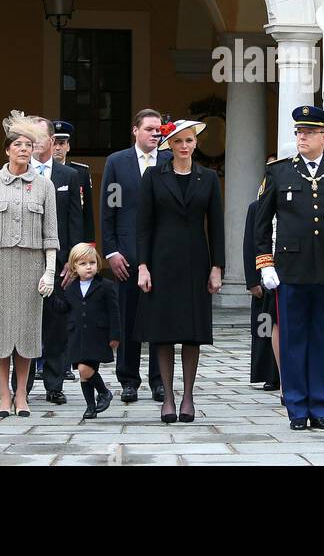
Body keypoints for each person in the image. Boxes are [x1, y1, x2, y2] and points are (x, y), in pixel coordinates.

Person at [254, 105, 324, 431]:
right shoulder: (279, 172)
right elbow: (261, 225)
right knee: (292, 340)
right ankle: (296, 408)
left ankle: (321, 407)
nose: (301, 137)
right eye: (299, 132)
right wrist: (265, 264)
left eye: (309, 132)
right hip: (290, 269)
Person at [134, 119, 225, 423]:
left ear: (195, 143)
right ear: (168, 146)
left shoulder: (208, 178)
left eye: (189, 141)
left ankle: (188, 396)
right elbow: (143, 226)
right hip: (162, 261)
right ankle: (168, 398)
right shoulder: (152, 176)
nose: (184, 146)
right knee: (163, 333)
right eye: (178, 142)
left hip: (196, 262)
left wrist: (217, 266)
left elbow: (217, 226)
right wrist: (143, 266)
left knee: (191, 333)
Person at [0, 112, 59, 418]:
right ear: (7, 149)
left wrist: (49, 271)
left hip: (32, 266)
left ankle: (22, 393)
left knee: (27, 333)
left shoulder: (45, 186)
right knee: (0, 334)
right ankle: (3, 394)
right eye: (17, 144)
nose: (23, 149)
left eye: (28, 145)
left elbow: (51, 235)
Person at [100, 108, 169, 404]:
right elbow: (109, 210)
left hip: (161, 252)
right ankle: (128, 380)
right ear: (135, 130)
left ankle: (159, 381)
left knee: (158, 319)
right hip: (126, 255)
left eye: (159, 129)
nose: (156, 133)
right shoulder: (117, 162)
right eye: (151, 129)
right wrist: (111, 251)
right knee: (127, 318)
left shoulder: (168, 161)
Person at [27, 116, 83, 405]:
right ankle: (21, 385)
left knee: (57, 325)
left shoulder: (68, 176)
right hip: (25, 260)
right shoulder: (20, 173)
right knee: (24, 324)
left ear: (52, 141)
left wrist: (72, 263)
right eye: (30, 138)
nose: (35, 143)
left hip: (59, 263)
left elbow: (75, 222)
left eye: (39, 138)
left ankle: (54, 384)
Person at [50, 244, 120, 419]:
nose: (89, 267)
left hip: (97, 336)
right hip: (77, 337)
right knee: (84, 374)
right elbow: (63, 308)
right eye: (83, 263)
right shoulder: (71, 288)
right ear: (74, 267)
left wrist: (115, 335)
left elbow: (114, 312)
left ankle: (104, 392)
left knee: (84, 369)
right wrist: (49, 295)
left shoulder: (106, 286)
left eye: (92, 262)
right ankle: (91, 406)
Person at [243, 177, 280, 391]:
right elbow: (249, 245)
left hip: (283, 277)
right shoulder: (256, 208)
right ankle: (268, 374)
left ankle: (282, 373)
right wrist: (252, 281)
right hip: (262, 283)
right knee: (264, 329)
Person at [51, 119, 95, 243]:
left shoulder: (81, 173)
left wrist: (89, 244)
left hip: (73, 238)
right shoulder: (40, 171)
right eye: (54, 143)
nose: (58, 148)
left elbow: (87, 212)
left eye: (62, 143)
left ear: (68, 146)